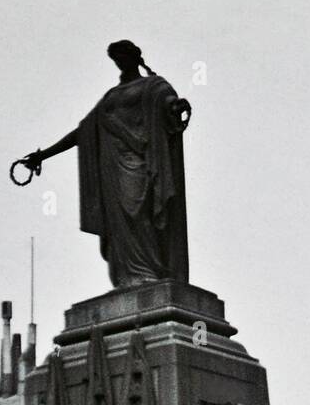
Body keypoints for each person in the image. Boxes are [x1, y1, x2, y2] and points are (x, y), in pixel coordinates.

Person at [15, 41, 191, 288]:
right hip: (112, 169)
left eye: (122, 56)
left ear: (134, 57)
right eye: (115, 58)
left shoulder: (153, 86)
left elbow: (169, 104)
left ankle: (149, 271)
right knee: (120, 224)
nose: (119, 62)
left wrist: (176, 106)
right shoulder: (111, 97)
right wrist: (43, 155)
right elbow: (83, 132)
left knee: (139, 213)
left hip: (140, 161)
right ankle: (129, 277)